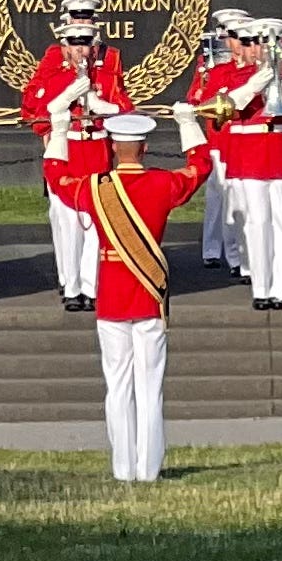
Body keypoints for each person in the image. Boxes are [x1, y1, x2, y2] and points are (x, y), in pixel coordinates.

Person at [87, 109, 215, 484]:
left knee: (118, 386)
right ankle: (148, 469)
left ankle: (123, 468)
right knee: (150, 385)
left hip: (111, 297)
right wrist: (188, 123)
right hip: (148, 294)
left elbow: (56, 177)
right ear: (144, 148)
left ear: (113, 147)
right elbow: (201, 166)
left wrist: (59, 129)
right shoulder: (162, 184)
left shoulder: (96, 188)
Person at [20, 0, 130, 310]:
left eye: (86, 43)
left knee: (94, 222)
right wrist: (68, 95)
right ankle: (70, 287)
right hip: (67, 150)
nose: (80, 49)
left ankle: (90, 287)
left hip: (95, 149)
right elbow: (35, 111)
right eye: (73, 43)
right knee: (66, 223)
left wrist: (99, 104)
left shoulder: (106, 76)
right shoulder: (54, 74)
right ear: (64, 46)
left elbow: (124, 108)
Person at [201, 11, 282, 309]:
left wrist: (280, 81)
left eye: (266, 42)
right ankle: (261, 289)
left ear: (280, 43)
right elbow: (219, 111)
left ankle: (279, 289)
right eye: (252, 42)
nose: (258, 49)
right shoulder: (231, 75)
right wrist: (255, 83)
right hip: (249, 159)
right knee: (257, 224)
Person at [192, 12, 246, 272]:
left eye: (232, 35)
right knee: (216, 196)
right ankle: (212, 249)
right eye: (224, 34)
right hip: (216, 136)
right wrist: (203, 88)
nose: (226, 40)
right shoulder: (208, 65)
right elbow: (195, 99)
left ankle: (236, 255)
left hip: (239, 137)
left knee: (237, 199)